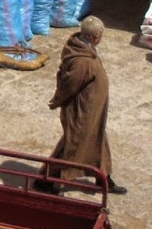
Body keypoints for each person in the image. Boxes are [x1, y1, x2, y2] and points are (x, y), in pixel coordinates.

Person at [34, 16, 126, 195]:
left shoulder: (85, 49)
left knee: (97, 141)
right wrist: (57, 100)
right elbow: (70, 84)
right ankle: (46, 180)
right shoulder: (82, 60)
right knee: (73, 146)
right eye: (101, 34)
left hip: (93, 111)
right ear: (95, 37)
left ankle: (103, 179)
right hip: (82, 112)